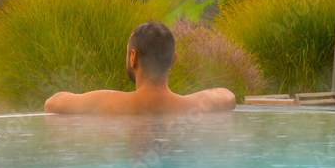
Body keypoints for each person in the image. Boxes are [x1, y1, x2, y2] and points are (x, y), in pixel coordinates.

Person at [43, 20, 236, 115]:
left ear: (133, 58)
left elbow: (52, 103)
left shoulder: (107, 103)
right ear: (173, 60)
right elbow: (228, 96)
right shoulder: (192, 106)